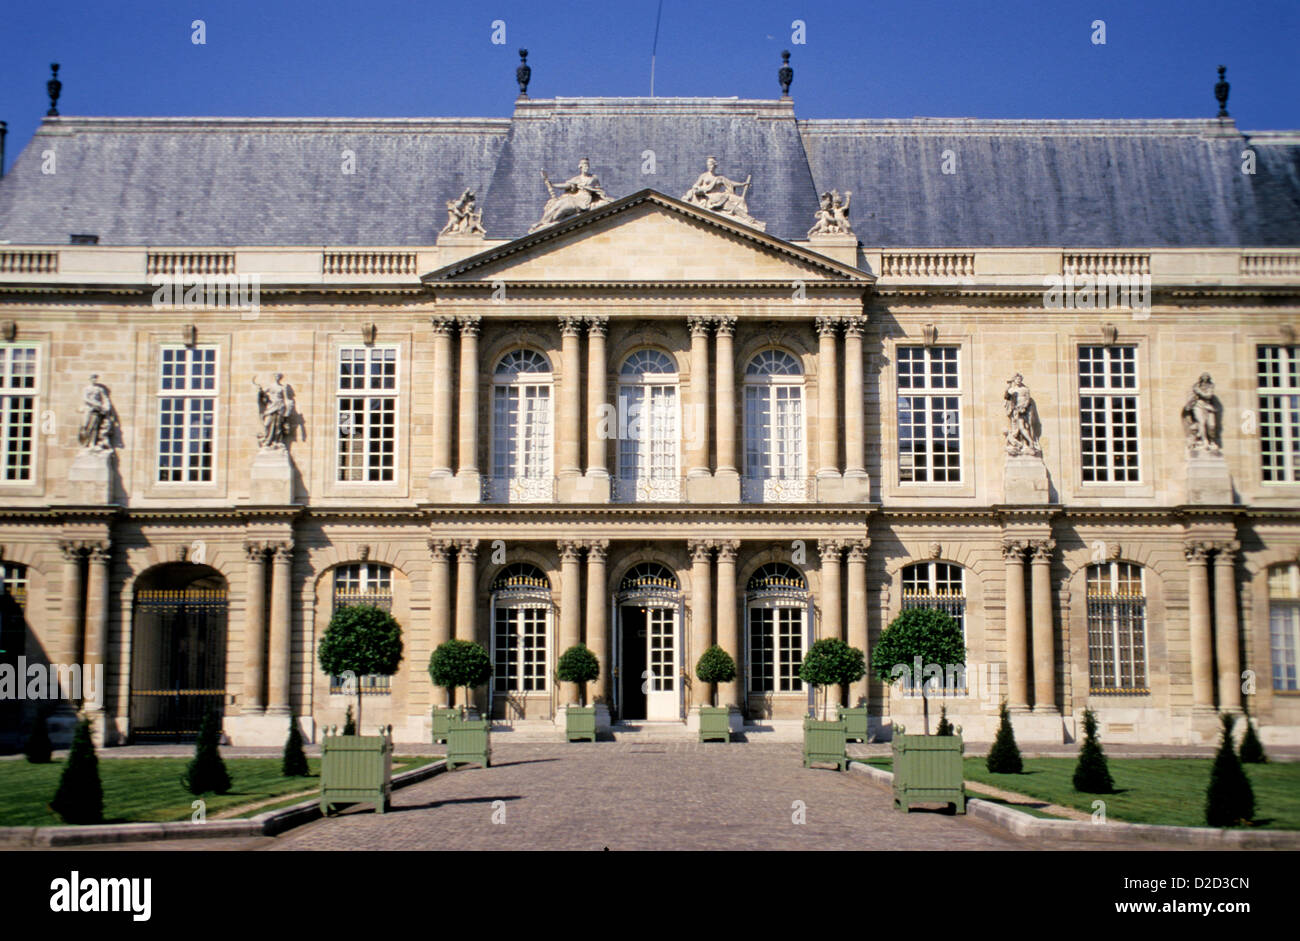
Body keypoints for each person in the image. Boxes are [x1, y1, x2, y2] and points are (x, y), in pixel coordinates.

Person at [530, 158, 611, 231]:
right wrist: (553, 185)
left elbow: (599, 190)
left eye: (587, 165)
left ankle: (552, 220)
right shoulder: (577, 179)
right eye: (584, 165)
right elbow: (567, 185)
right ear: (580, 167)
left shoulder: (593, 178)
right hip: (575, 197)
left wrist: (600, 195)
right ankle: (543, 222)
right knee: (559, 203)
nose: (586, 167)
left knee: (564, 207)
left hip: (584, 199)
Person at [255, 373, 295, 449]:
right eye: (276, 376)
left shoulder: (282, 387)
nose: (277, 377)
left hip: (280, 406)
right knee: (267, 423)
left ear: (280, 378)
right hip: (271, 406)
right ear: (274, 377)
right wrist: (259, 391)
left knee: (278, 425)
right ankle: (267, 440)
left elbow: (286, 398)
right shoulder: (270, 386)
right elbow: (263, 393)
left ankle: (277, 441)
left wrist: (288, 408)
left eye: (279, 376)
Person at [78, 375, 115, 450]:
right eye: (93, 378)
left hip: (97, 410)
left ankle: (92, 442)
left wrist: (105, 407)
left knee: (95, 426)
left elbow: (105, 398)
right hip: (89, 409)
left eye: (95, 378)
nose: (94, 380)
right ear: (90, 379)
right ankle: (85, 442)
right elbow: (85, 399)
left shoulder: (99, 389)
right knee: (86, 425)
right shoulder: (87, 389)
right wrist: (94, 403)